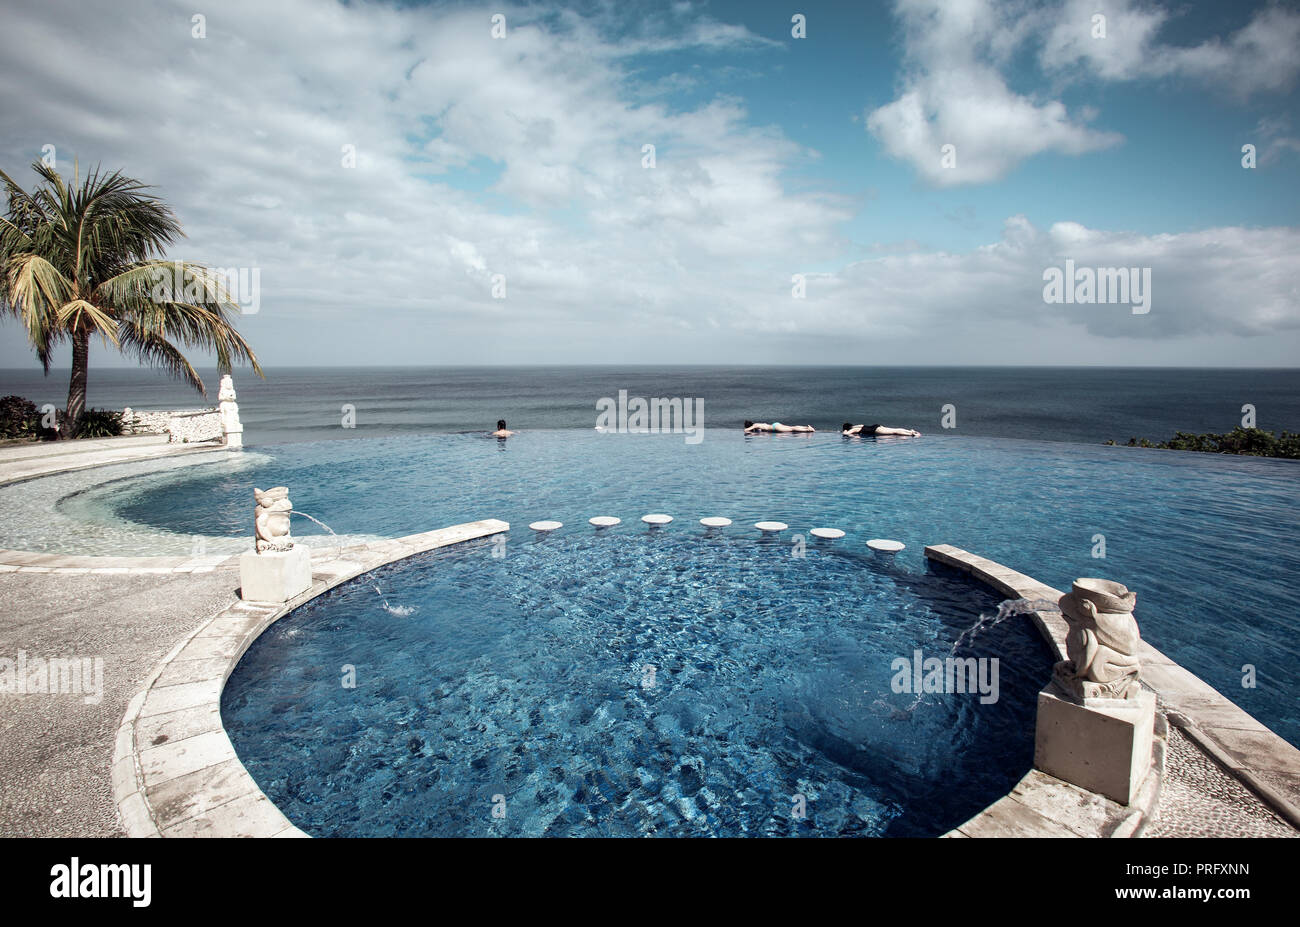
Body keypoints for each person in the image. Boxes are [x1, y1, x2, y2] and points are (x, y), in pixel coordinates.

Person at [842, 422, 921, 437]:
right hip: (877, 426)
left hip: (875, 430)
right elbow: (862, 425)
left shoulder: (853, 430)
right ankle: (910, 431)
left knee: (894, 432)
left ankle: (911, 434)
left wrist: (845, 431)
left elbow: (846, 434)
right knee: (895, 429)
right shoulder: (857, 426)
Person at [744, 420, 815, 433]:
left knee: (792, 429)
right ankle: (806, 427)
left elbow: (746, 430)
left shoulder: (755, 425)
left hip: (775, 428)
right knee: (792, 427)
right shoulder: (758, 424)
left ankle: (808, 430)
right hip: (775, 425)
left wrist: (748, 429)